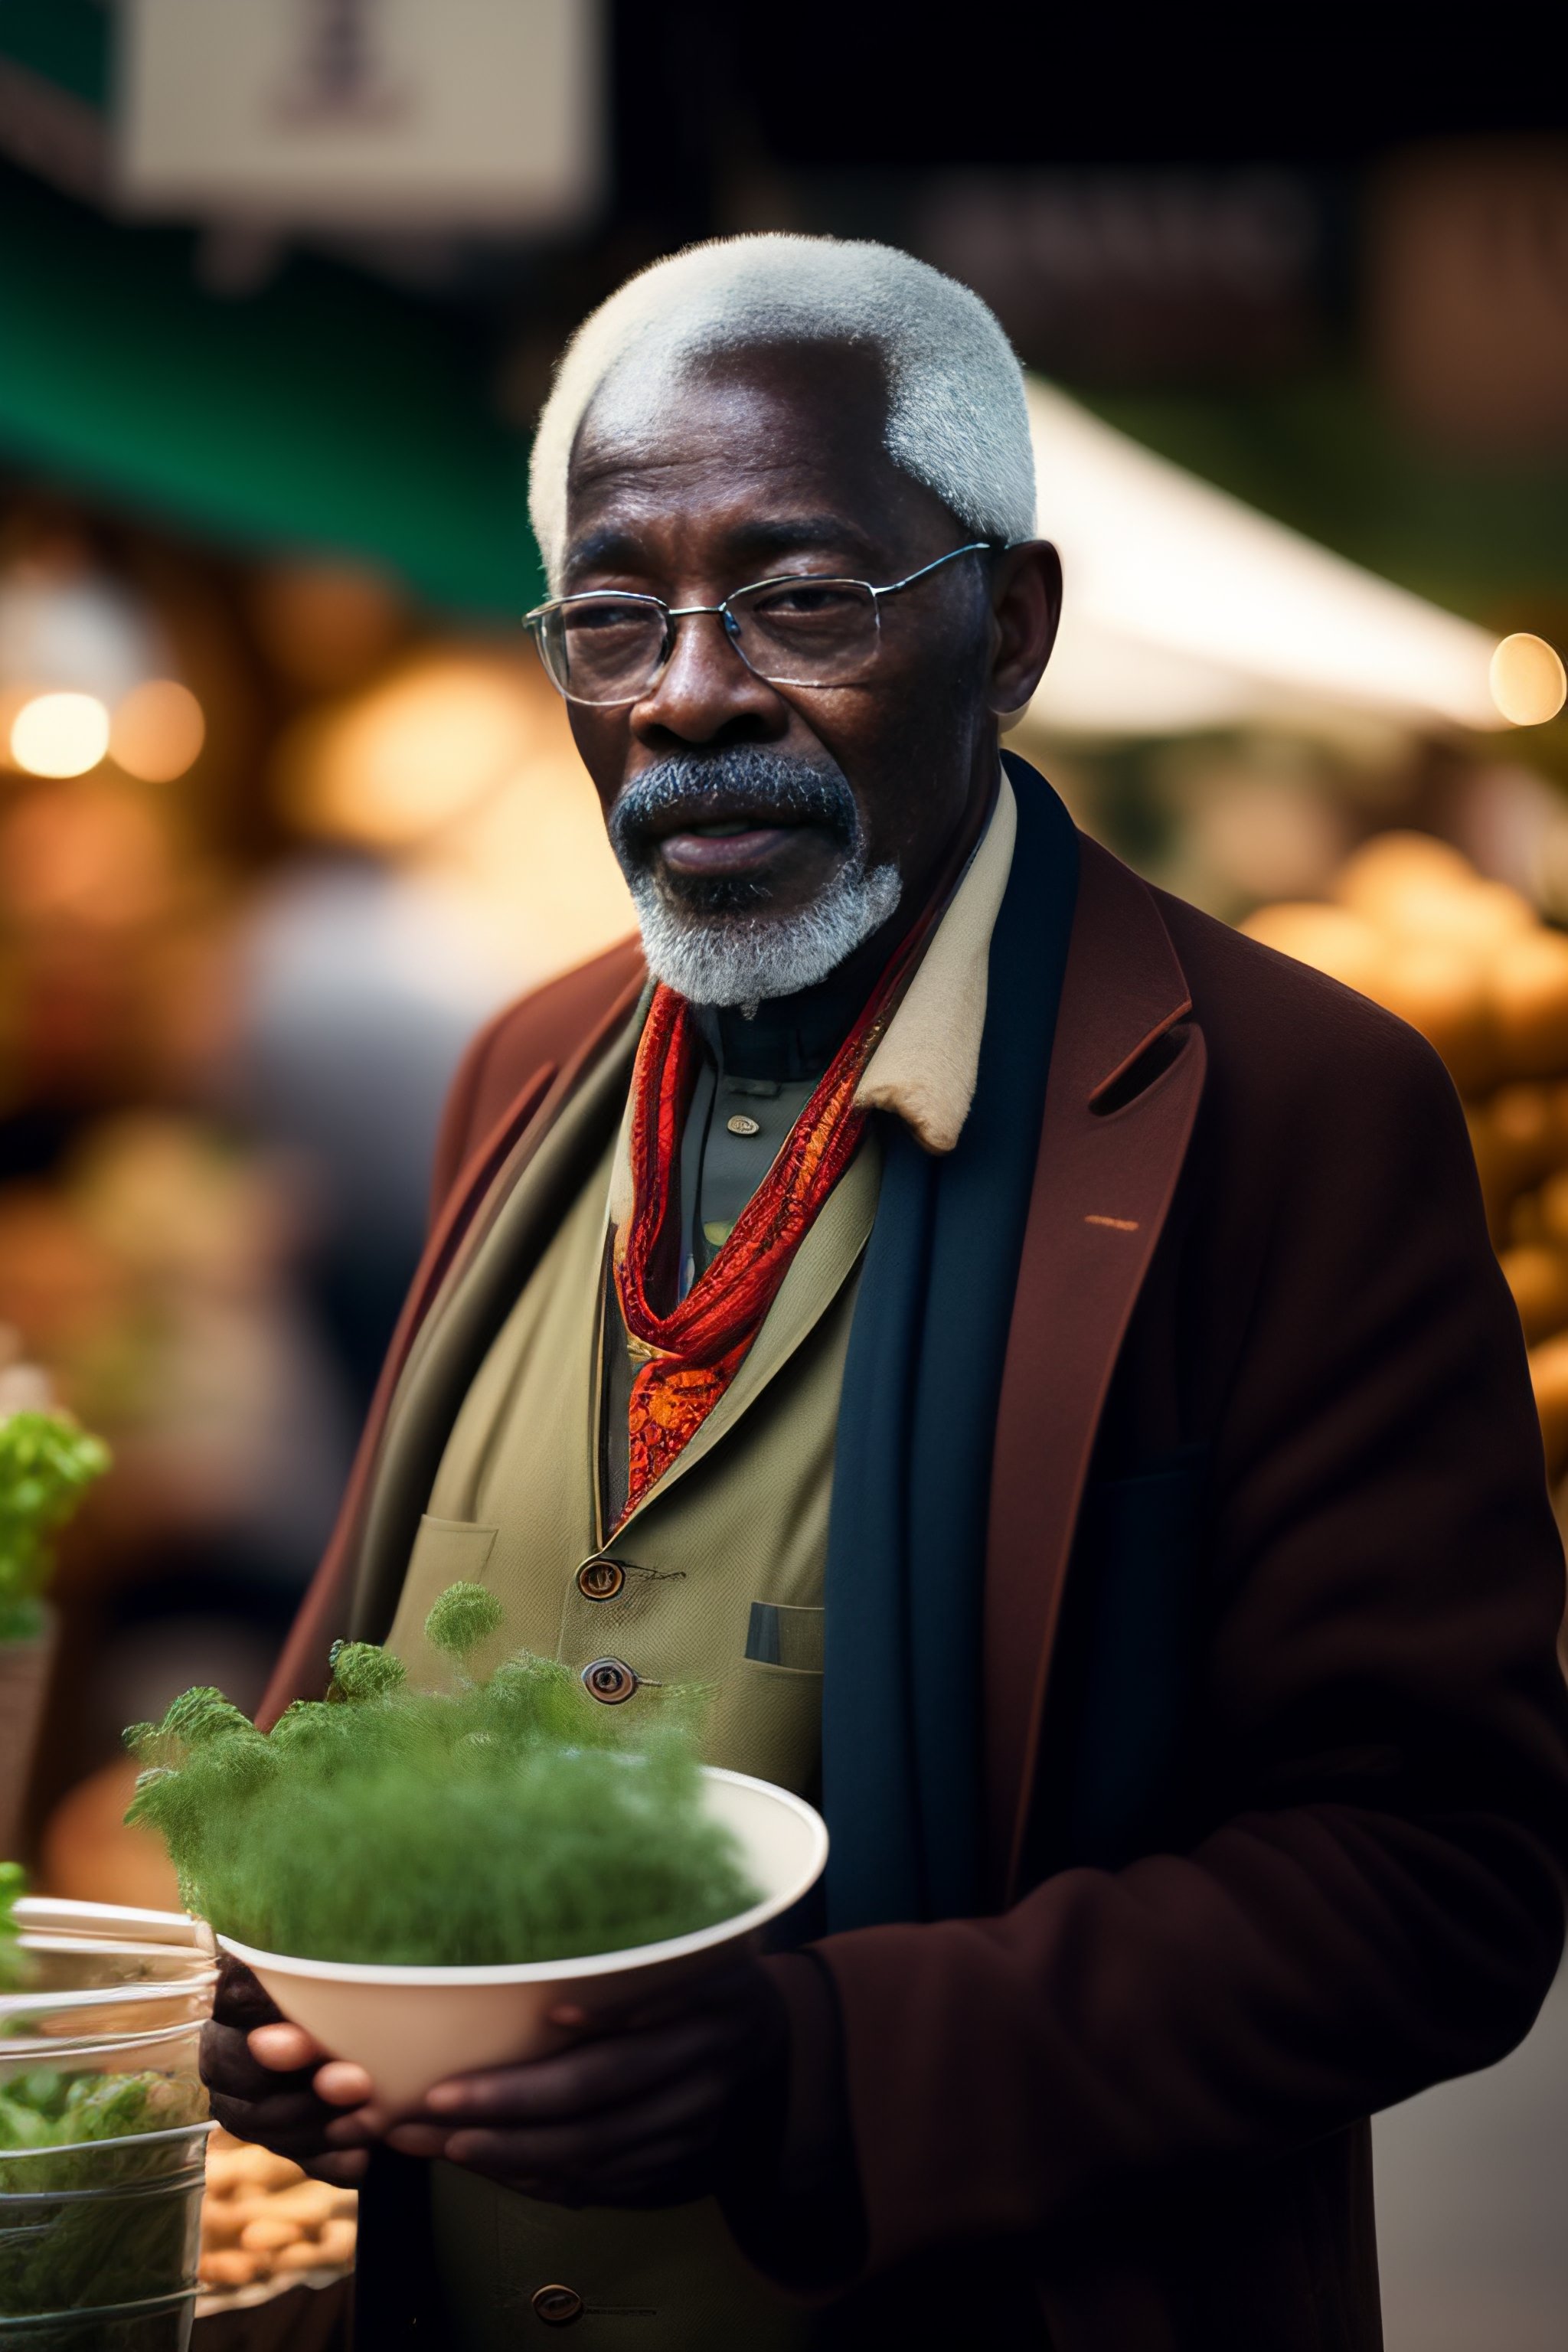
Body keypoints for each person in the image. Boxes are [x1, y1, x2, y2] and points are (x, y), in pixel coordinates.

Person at [200, 236, 1568, 2351]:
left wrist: (822, 2069)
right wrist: (284, 1985)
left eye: (803, 595)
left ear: (1007, 627)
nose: (690, 688)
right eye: (614, 614)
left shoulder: (1290, 1106)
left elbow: (1438, 1884)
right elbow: (349, 1707)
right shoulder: (523, 1065)